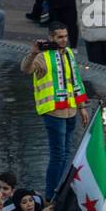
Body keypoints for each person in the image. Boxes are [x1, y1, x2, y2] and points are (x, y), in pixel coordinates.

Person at [21, 23, 89, 200]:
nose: (64, 40)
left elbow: (76, 81)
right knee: (58, 154)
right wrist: (33, 52)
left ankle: (60, 188)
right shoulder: (43, 56)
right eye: (60, 37)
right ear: (51, 37)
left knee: (66, 153)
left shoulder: (68, 54)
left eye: (66, 36)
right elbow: (25, 69)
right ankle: (51, 195)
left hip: (70, 111)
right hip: (53, 112)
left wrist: (82, 107)